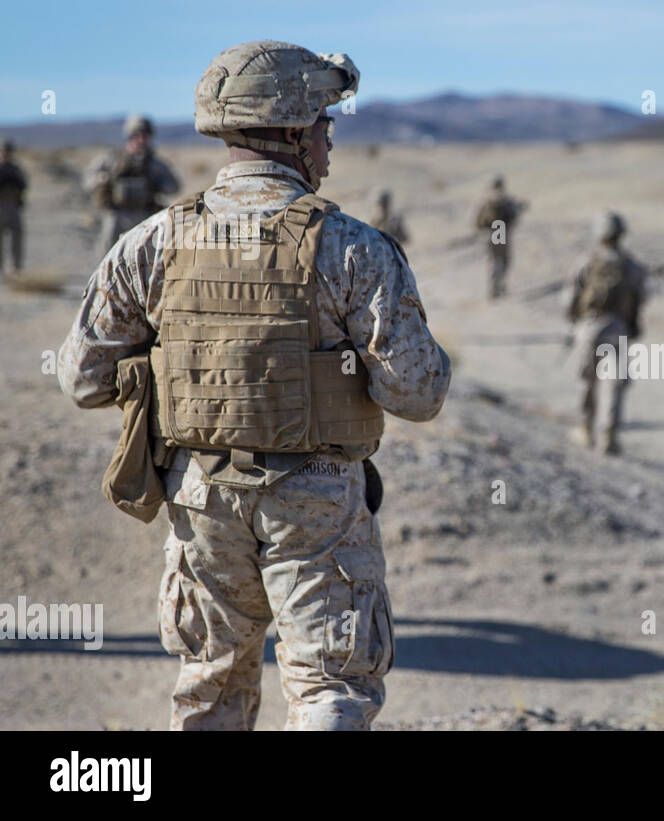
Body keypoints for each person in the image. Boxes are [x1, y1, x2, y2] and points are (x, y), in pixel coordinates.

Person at [57, 40, 451, 730]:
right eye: (325, 121)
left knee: (210, 690)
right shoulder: (354, 247)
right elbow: (417, 392)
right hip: (318, 501)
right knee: (330, 687)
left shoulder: (152, 242)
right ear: (296, 130)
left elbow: (80, 378)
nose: (330, 138)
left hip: (200, 499)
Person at [563, 211, 646, 455]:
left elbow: (570, 297)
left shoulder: (586, 261)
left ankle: (586, 428)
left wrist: (573, 323)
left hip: (589, 328)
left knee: (588, 380)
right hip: (618, 329)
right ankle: (609, 434)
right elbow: (639, 298)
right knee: (613, 382)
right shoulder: (631, 265)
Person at [83, 114, 179, 256]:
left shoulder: (155, 164)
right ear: (129, 136)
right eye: (137, 135)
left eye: (145, 136)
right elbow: (88, 179)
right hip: (117, 215)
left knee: (144, 256)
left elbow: (174, 187)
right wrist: (102, 179)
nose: (141, 140)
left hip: (144, 216)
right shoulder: (113, 159)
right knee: (108, 255)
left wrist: (158, 184)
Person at [473, 175, 525, 299]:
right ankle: (499, 285)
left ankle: (494, 286)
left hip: (491, 232)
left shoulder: (486, 200)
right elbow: (514, 215)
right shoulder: (505, 199)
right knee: (503, 260)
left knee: (494, 260)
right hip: (501, 230)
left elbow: (478, 220)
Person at [0, 139, 27, 276]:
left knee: (16, 237)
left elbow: (23, 184)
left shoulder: (15, 169)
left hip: (13, 205)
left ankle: (16, 267)